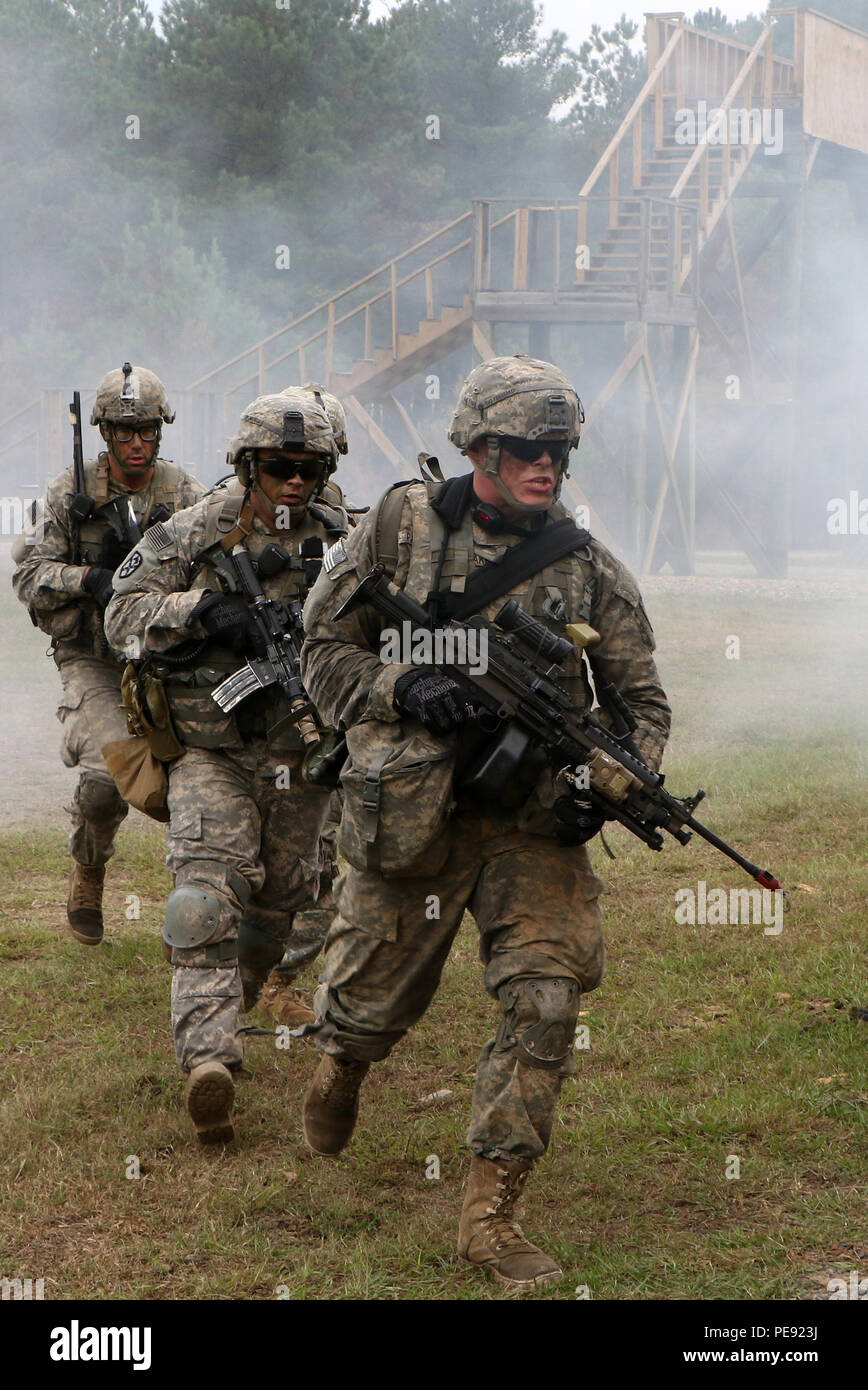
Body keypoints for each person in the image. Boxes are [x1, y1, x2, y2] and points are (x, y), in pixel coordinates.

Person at [298, 354, 672, 1288]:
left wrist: (617, 782)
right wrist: (403, 683)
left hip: (531, 824)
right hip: (413, 810)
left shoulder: (589, 570)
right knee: (364, 1012)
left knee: (546, 1001)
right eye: (527, 450)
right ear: (478, 449)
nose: (547, 467)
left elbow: (641, 706)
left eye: (561, 452)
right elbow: (321, 648)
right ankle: (341, 1065)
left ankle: (490, 1218)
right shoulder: (394, 528)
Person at [104, 391, 347, 1144]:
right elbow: (120, 613)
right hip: (211, 746)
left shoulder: (344, 540)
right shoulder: (197, 530)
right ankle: (210, 1059)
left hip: (300, 752)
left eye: (310, 468)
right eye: (279, 466)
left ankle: (232, 999)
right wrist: (202, 612)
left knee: (279, 905)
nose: (295, 481)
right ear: (248, 465)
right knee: (203, 897)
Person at [11, 363, 203, 945]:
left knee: (199, 776)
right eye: (124, 433)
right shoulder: (69, 493)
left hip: (165, 657)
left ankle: (200, 901)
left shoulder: (184, 493)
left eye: (146, 431)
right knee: (104, 780)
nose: (137, 444)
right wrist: (88, 578)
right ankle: (88, 869)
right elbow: (28, 577)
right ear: (104, 434)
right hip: (92, 655)